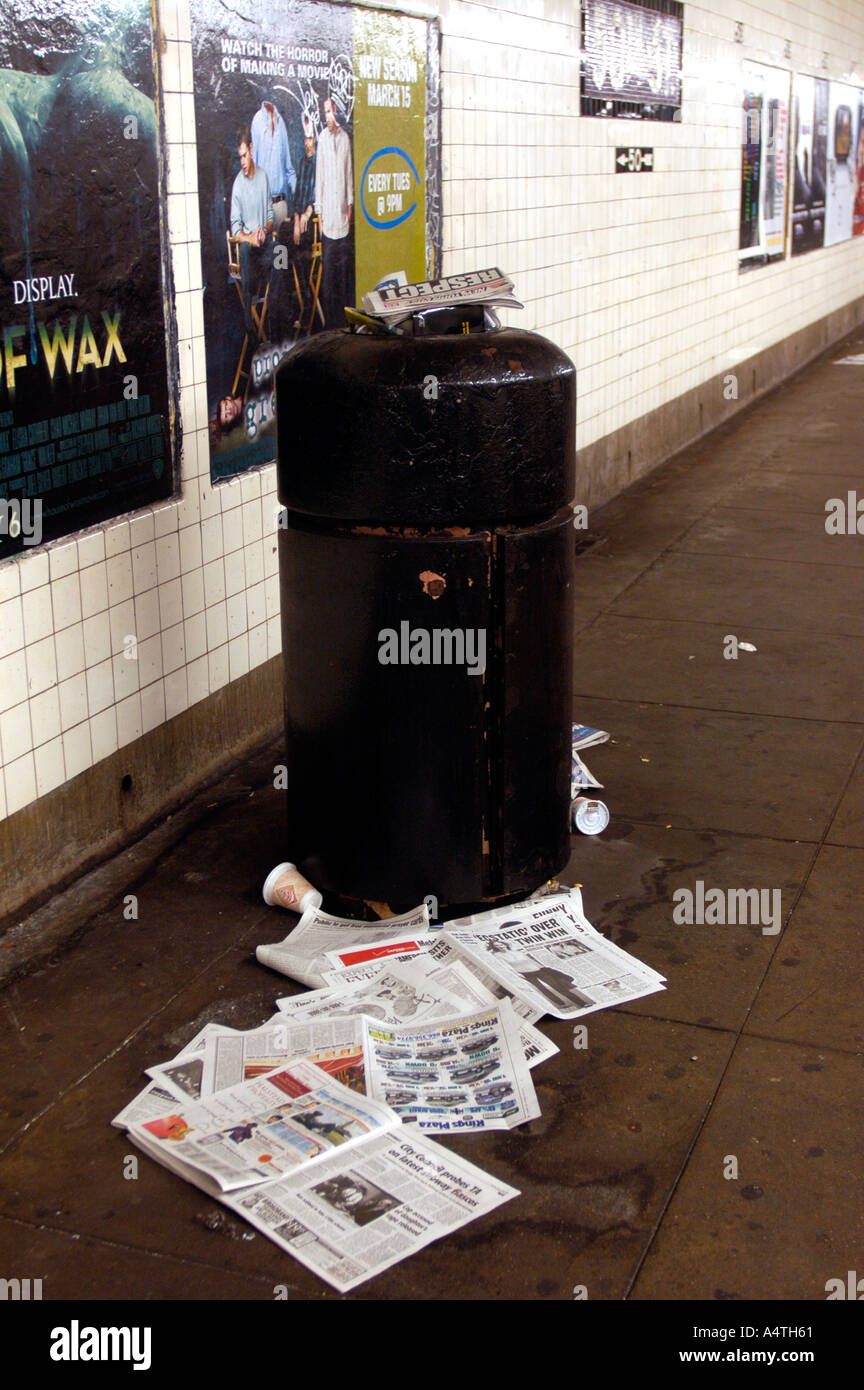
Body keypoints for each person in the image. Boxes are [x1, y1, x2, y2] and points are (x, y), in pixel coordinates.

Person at [270, 116, 317, 339]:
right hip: (300, 221)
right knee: (282, 235)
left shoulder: (320, 162)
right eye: (306, 138)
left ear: (316, 139)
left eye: (311, 138)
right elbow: (298, 196)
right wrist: (297, 218)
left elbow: (317, 197)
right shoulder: (301, 162)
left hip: (313, 222)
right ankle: (285, 298)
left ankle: (305, 305)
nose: (308, 143)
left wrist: (305, 215)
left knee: (297, 253)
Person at [314, 95, 354, 328]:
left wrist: (349, 206)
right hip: (327, 218)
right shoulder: (321, 139)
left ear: (336, 110)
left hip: (342, 217)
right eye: (324, 112)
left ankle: (344, 323)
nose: (327, 116)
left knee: (342, 277)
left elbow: (348, 174)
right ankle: (330, 326)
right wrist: (319, 213)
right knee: (328, 280)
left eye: (330, 111)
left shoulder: (345, 138)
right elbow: (319, 178)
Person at [230, 125, 273, 338]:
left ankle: (275, 313)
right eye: (239, 158)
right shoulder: (238, 185)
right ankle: (248, 312)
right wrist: (249, 238)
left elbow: (270, 217)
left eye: (245, 156)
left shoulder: (263, 177)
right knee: (245, 250)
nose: (243, 162)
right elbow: (235, 229)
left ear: (252, 149)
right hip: (248, 249)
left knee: (279, 251)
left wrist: (264, 231)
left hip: (263, 244)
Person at [251, 100, 295, 231]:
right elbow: (253, 166)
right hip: (263, 206)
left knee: (281, 250)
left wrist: (301, 200)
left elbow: (289, 168)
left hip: (281, 205)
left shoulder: (281, 123)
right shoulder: (257, 121)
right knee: (266, 250)